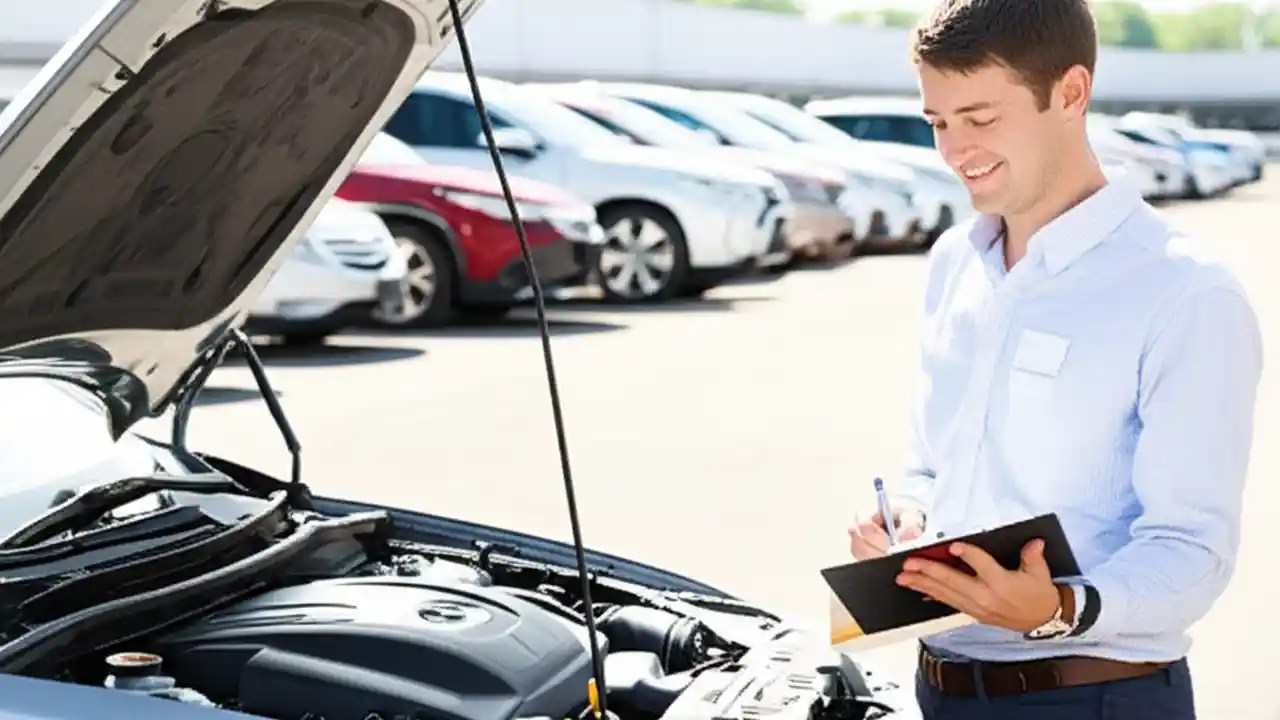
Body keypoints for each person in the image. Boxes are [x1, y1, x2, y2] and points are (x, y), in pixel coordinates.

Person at [846, 0, 1264, 718]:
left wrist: (1058, 607)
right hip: (937, 687)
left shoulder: (1185, 292)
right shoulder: (955, 262)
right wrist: (907, 519)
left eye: (980, 118)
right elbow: (929, 462)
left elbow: (1193, 549)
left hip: (1091, 697)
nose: (955, 150)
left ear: (1070, 93)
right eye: (939, 122)